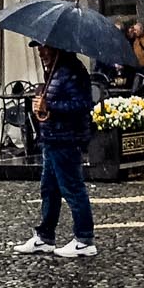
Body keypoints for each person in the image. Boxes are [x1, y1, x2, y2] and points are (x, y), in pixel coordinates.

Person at [16, 44, 96, 259]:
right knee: (49, 189)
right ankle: (45, 237)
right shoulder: (55, 71)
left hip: (66, 139)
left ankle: (84, 239)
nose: (40, 52)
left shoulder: (72, 71)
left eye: (43, 48)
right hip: (52, 138)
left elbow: (82, 104)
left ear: (57, 49)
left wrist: (50, 105)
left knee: (72, 188)